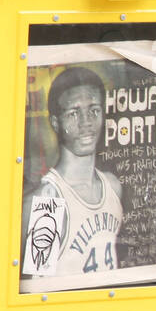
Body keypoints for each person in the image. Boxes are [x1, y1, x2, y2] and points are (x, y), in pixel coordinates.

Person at [22, 67, 123, 279]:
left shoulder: (113, 187)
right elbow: (37, 293)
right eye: (74, 113)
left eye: (94, 110)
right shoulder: (47, 201)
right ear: (56, 123)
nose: (86, 122)